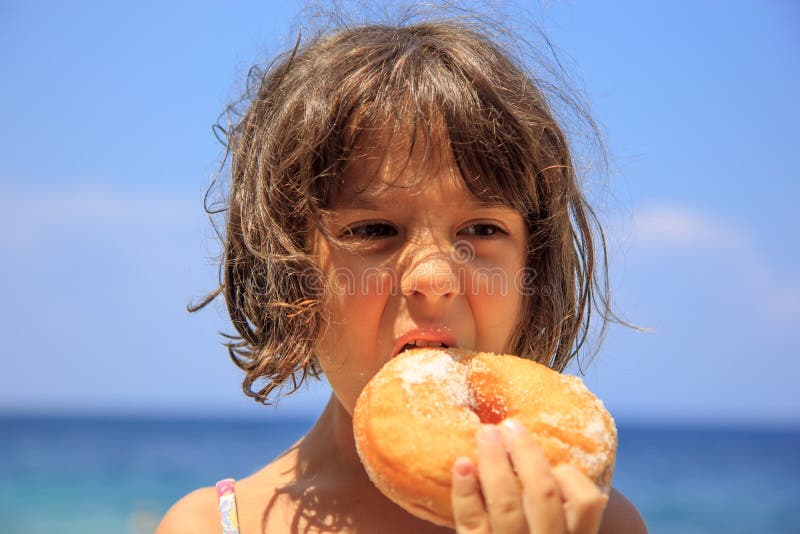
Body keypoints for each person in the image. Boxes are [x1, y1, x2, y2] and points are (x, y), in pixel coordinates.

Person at [157, 13, 648, 534]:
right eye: (373, 230)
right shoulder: (212, 524)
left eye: (482, 229)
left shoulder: (592, 520)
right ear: (290, 274)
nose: (435, 276)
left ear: (534, 267)